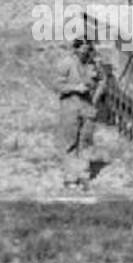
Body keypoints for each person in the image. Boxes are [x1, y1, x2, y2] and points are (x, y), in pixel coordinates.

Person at [58, 37, 104, 188]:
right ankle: (70, 177)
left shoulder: (94, 64)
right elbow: (57, 85)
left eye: (89, 49)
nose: (86, 52)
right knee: (70, 142)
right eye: (83, 49)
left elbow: (102, 81)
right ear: (76, 49)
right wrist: (75, 88)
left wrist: (95, 100)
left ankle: (84, 175)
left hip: (88, 106)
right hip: (70, 105)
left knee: (85, 142)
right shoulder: (66, 64)